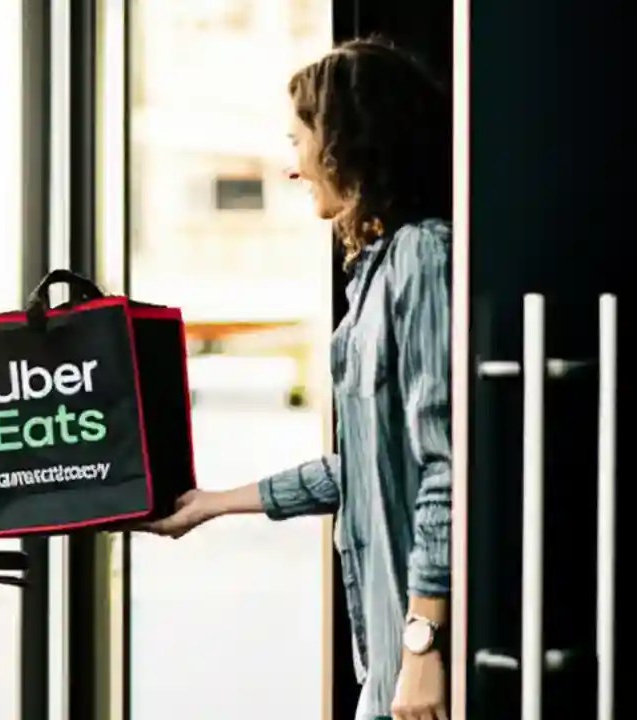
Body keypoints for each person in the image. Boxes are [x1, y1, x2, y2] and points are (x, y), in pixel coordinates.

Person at [141, 36, 453, 720]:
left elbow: (445, 464)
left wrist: (424, 645)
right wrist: (211, 504)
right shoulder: (374, 274)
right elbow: (365, 467)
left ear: (348, 143)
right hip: (389, 662)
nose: (293, 167)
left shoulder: (422, 257)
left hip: (419, 665)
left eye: (299, 141)